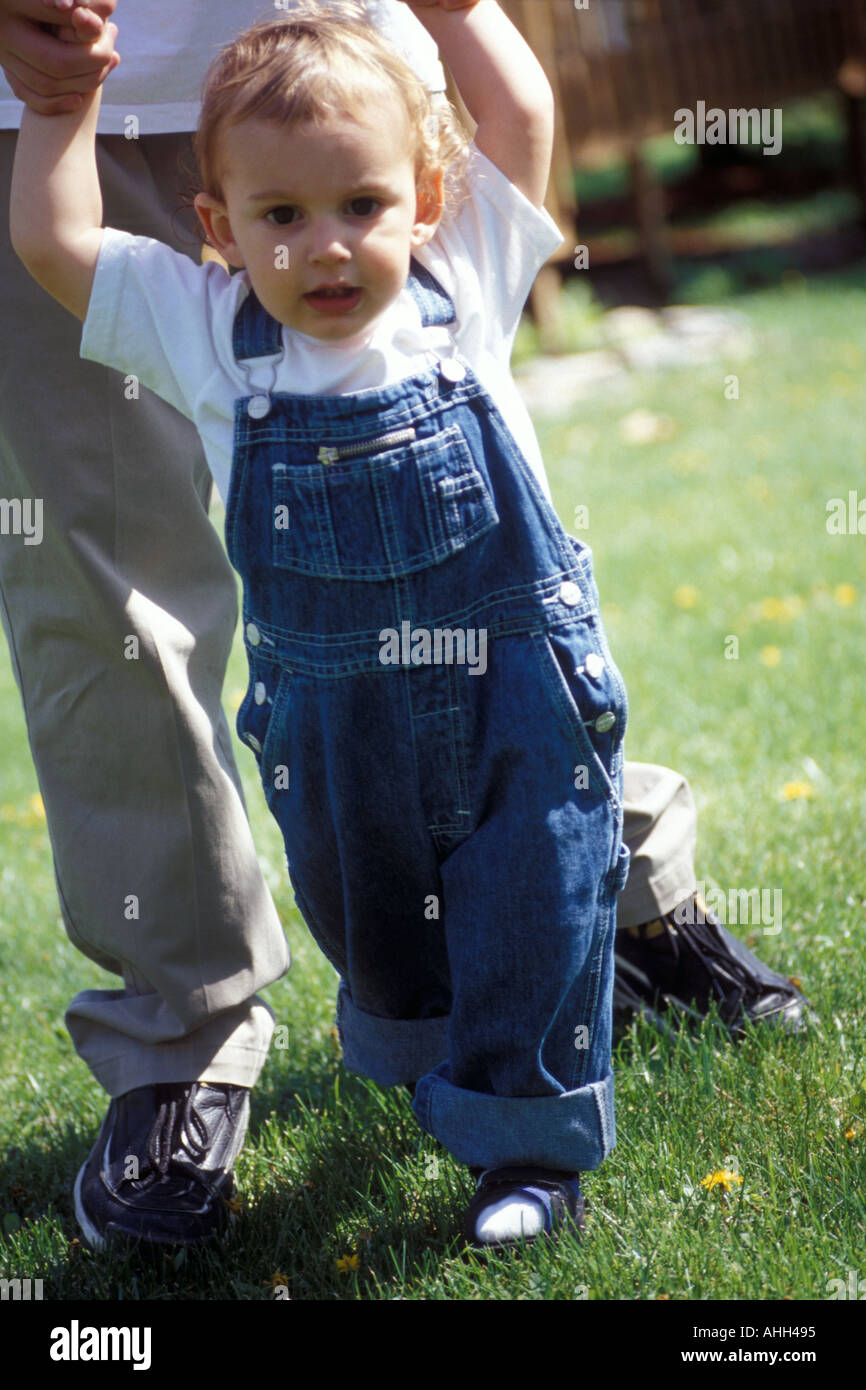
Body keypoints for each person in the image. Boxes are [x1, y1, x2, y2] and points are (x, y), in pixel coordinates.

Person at [1, 0, 808, 1252]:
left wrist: (451, 12)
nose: (327, 250)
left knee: (530, 897)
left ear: (427, 197)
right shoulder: (206, 327)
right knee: (384, 937)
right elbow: (56, 243)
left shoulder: (464, 272)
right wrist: (58, 109)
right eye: (280, 219)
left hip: (514, 699)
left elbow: (524, 113)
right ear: (218, 233)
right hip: (338, 734)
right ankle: (380, 1055)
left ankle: (529, 1154)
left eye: (361, 208)